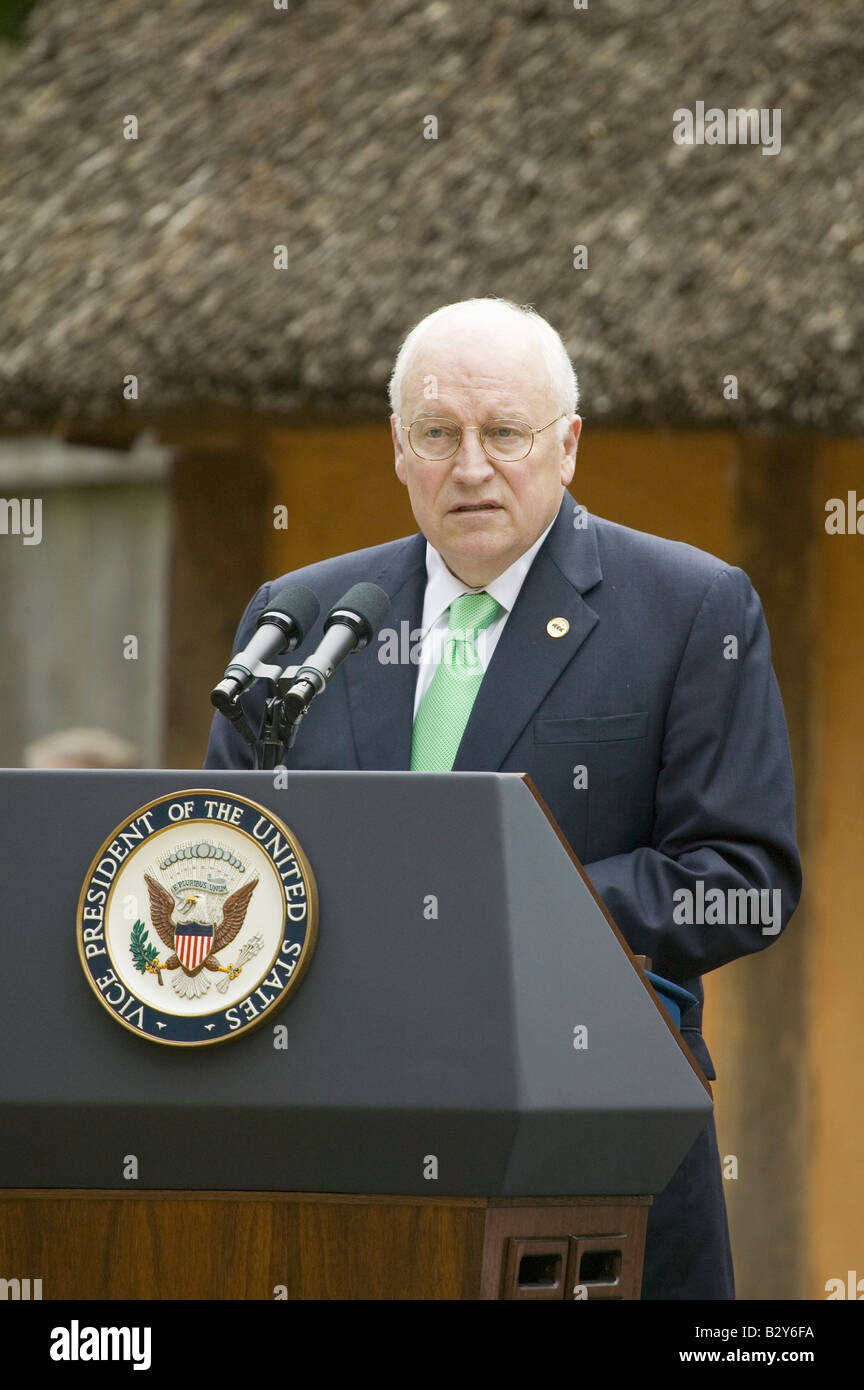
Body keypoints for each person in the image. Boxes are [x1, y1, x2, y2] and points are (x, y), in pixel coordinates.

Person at [205, 297, 802, 1299]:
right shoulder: (303, 619)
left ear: (566, 445)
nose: (470, 466)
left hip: (588, 1136)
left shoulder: (691, 608)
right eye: (438, 434)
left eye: (505, 433)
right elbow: (231, 853)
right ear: (399, 449)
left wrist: (502, 907)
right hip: (338, 1137)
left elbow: (741, 876)